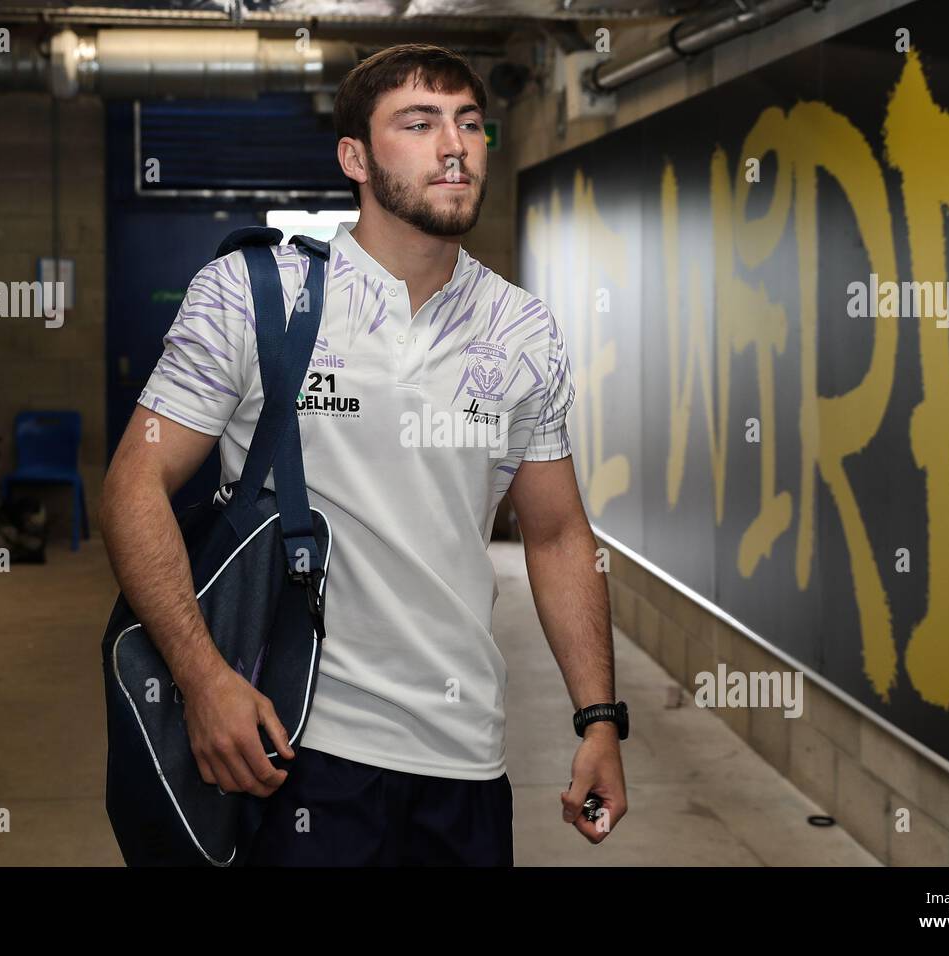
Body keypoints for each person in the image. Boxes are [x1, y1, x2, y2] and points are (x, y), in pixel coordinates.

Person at [101, 43, 627, 866]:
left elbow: (559, 535)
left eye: (468, 123)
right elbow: (134, 485)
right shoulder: (254, 295)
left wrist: (599, 718)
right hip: (298, 744)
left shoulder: (523, 329)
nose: (453, 145)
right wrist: (203, 681)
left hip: (465, 759)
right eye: (418, 123)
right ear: (354, 156)